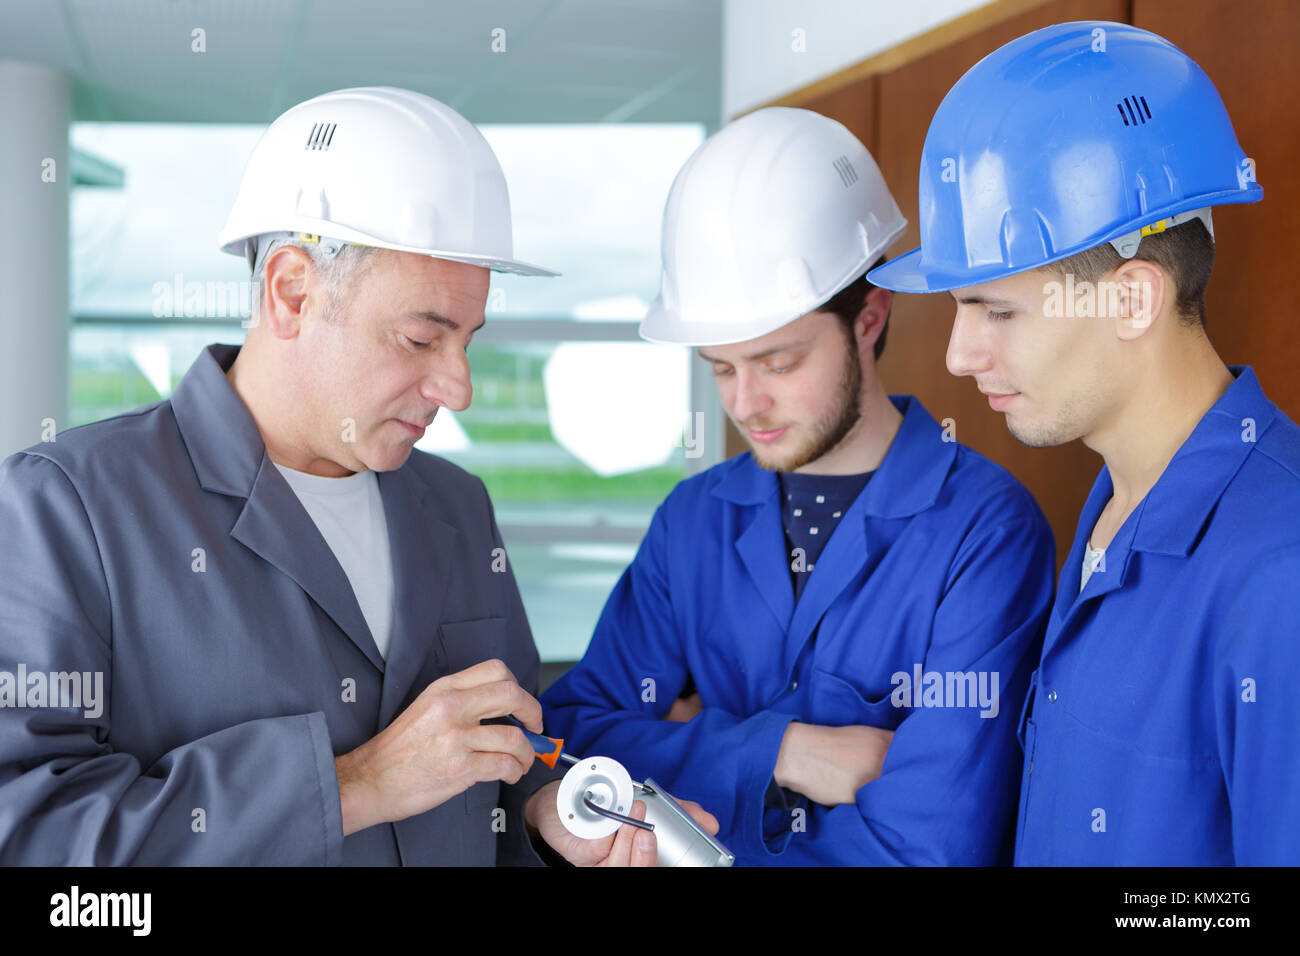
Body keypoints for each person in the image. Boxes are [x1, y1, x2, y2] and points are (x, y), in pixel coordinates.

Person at [0, 86, 712, 865]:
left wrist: (548, 820)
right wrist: (361, 783)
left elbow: (507, 764)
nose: (459, 386)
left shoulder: (456, 507)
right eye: (418, 339)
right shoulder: (67, 507)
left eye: (467, 339)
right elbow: (32, 833)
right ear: (292, 291)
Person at [540, 107, 1056, 865]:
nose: (745, 404)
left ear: (869, 319)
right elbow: (573, 739)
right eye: (721, 368)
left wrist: (683, 752)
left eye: (779, 362)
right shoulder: (694, 520)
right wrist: (782, 749)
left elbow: (932, 843)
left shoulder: (986, 532)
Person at [867, 21, 1299, 864]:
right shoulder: (1113, 506)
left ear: (1132, 301)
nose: (960, 355)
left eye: (998, 310)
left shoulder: (1280, 572)